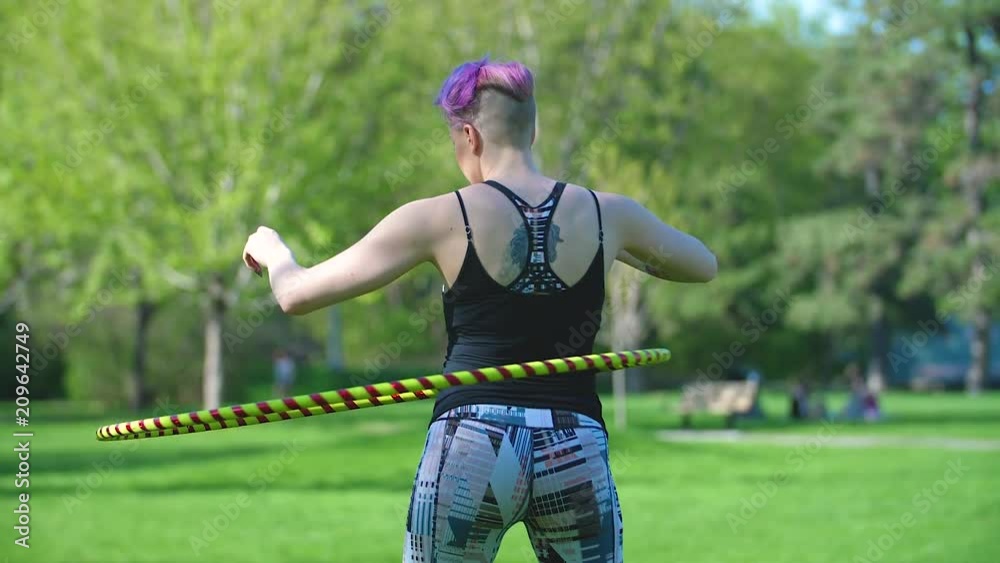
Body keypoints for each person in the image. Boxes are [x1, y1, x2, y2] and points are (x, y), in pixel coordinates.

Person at [241, 56, 717, 562]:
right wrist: (618, 246)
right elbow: (702, 265)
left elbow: (294, 294)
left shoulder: (438, 217)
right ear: (533, 130)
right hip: (574, 444)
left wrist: (274, 252)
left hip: (471, 443)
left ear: (469, 136)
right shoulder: (609, 214)